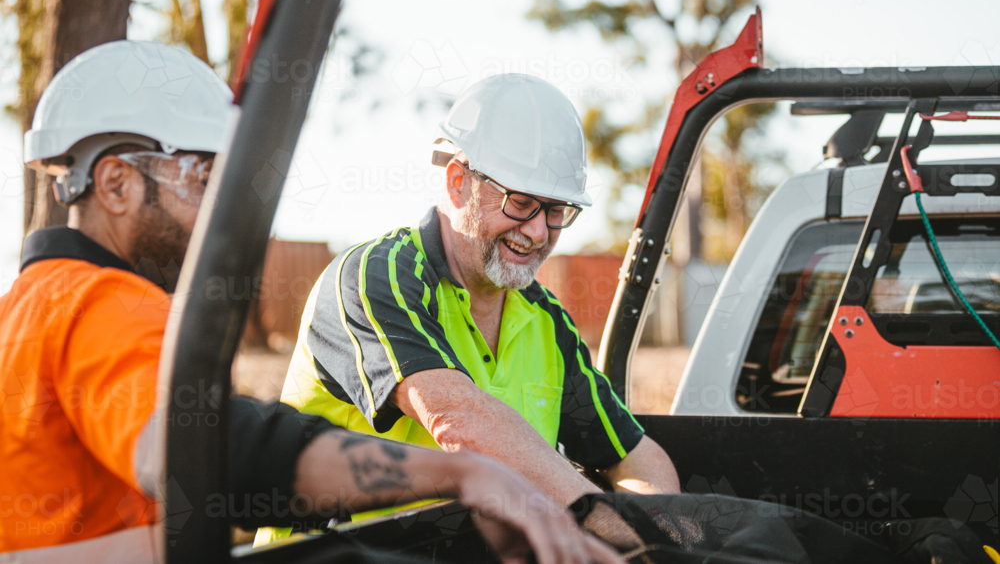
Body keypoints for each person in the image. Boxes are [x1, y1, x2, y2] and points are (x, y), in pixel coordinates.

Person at [0, 42, 621, 564]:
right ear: (114, 184)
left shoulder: (28, 308)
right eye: (200, 180)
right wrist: (462, 473)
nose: (218, 213)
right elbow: (217, 449)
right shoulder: (95, 305)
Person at [268, 74, 680, 529]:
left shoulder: (546, 320)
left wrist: (657, 532)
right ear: (458, 182)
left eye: (557, 210)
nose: (539, 232)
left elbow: (637, 456)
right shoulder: (375, 277)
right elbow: (461, 423)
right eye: (520, 202)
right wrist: (612, 527)